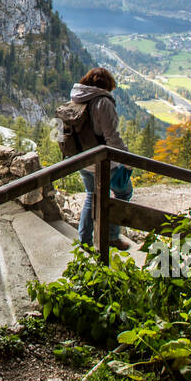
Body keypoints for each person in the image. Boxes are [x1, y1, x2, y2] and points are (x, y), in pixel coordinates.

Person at [70, 67, 130, 249]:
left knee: (91, 195)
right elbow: (112, 138)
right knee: (123, 192)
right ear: (107, 85)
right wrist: (127, 162)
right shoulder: (102, 102)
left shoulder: (76, 99)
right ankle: (111, 235)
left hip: (82, 159)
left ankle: (85, 242)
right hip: (102, 162)